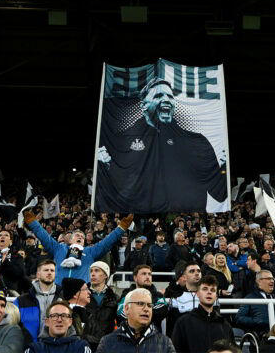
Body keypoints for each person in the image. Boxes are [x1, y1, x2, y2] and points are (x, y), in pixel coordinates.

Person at [95, 77, 228, 213]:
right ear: (143, 105)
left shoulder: (197, 142)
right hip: (142, 220)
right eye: (159, 95)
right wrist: (104, 168)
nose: (166, 100)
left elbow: (219, 195)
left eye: (170, 96)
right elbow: (116, 193)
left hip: (185, 222)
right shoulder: (120, 141)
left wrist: (224, 168)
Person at [22, 210, 130, 285]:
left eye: (82, 237)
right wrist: (33, 223)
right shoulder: (59, 248)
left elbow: (107, 241)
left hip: (80, 292)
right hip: (59, 289)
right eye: (77, 235)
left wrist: (121, 228)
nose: (80, 237)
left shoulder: (90, 251)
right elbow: (44, 236)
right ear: (70, 240)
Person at [96, 288, 176, 353]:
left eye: (149, 305)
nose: (146, 309)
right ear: (127, 309)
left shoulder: (165, 343)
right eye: (140, 304)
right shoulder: (107, 342)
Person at [171, 275, 234, 353]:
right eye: (205, 289)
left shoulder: (225, 325)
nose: (209, 292)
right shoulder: (183, 322)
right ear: (197, 293)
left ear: (216, 296)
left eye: (213, 290)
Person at [15, 260, 62, 341]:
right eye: (46, 270)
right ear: (38, 274)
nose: (49, 273)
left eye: (52, 270)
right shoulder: (21, 300)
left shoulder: (63, 297)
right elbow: (13, 326)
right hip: (29, 346)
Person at [26, 301, 91, 353]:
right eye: (54, 316)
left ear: (70, 322)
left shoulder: (81, 346)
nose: (59, 320)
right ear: (47, 322)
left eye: (64, 316)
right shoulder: (34, 348)